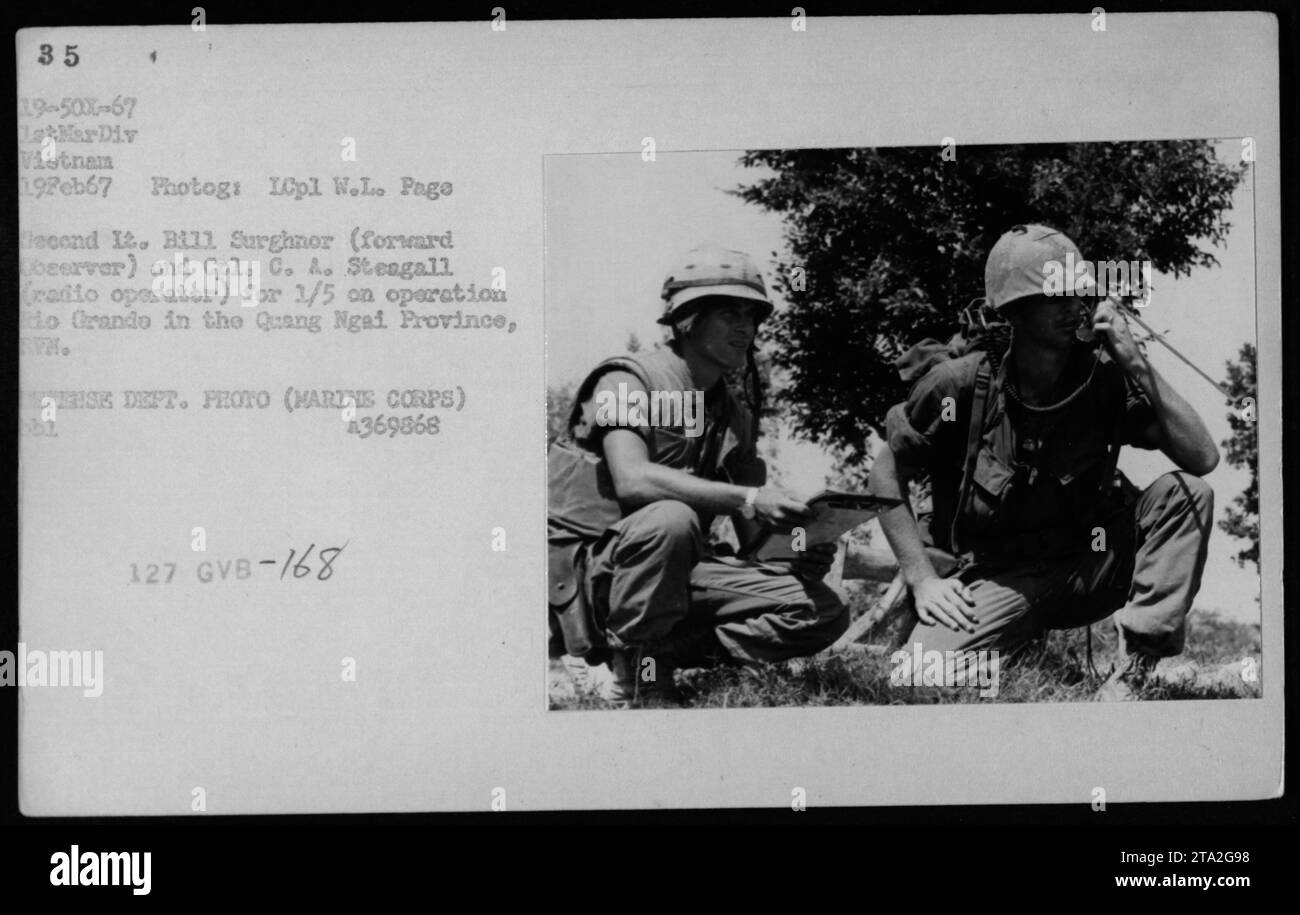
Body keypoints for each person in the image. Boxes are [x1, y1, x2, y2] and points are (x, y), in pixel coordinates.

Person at [869, 224, 1220, 700]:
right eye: (1053, 295)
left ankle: (1134, 673)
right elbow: (886, 471)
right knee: (919, 674)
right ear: (1013, 310)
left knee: (1187, 495)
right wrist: (922, 578)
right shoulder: (960, 384)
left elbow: (1202, 458)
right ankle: (1011, 639)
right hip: (995, 577)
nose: (1071, 305)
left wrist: (1136, 362)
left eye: (1077, 293)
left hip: (1085, 567)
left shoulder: (1103, 382)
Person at [548, 243, 848, 705]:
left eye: (752, 316)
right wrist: (747, 498)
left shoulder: (734, 415)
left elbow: (754, 540)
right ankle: (628, 674)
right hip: (593, 576)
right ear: (688, 319)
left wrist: (798, 548)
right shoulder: (625, 381)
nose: (745, 327)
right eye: (729, 313)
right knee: (670, 518)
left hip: (674, 572)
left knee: (823, 610)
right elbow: (632, 479)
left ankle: (658, 657)